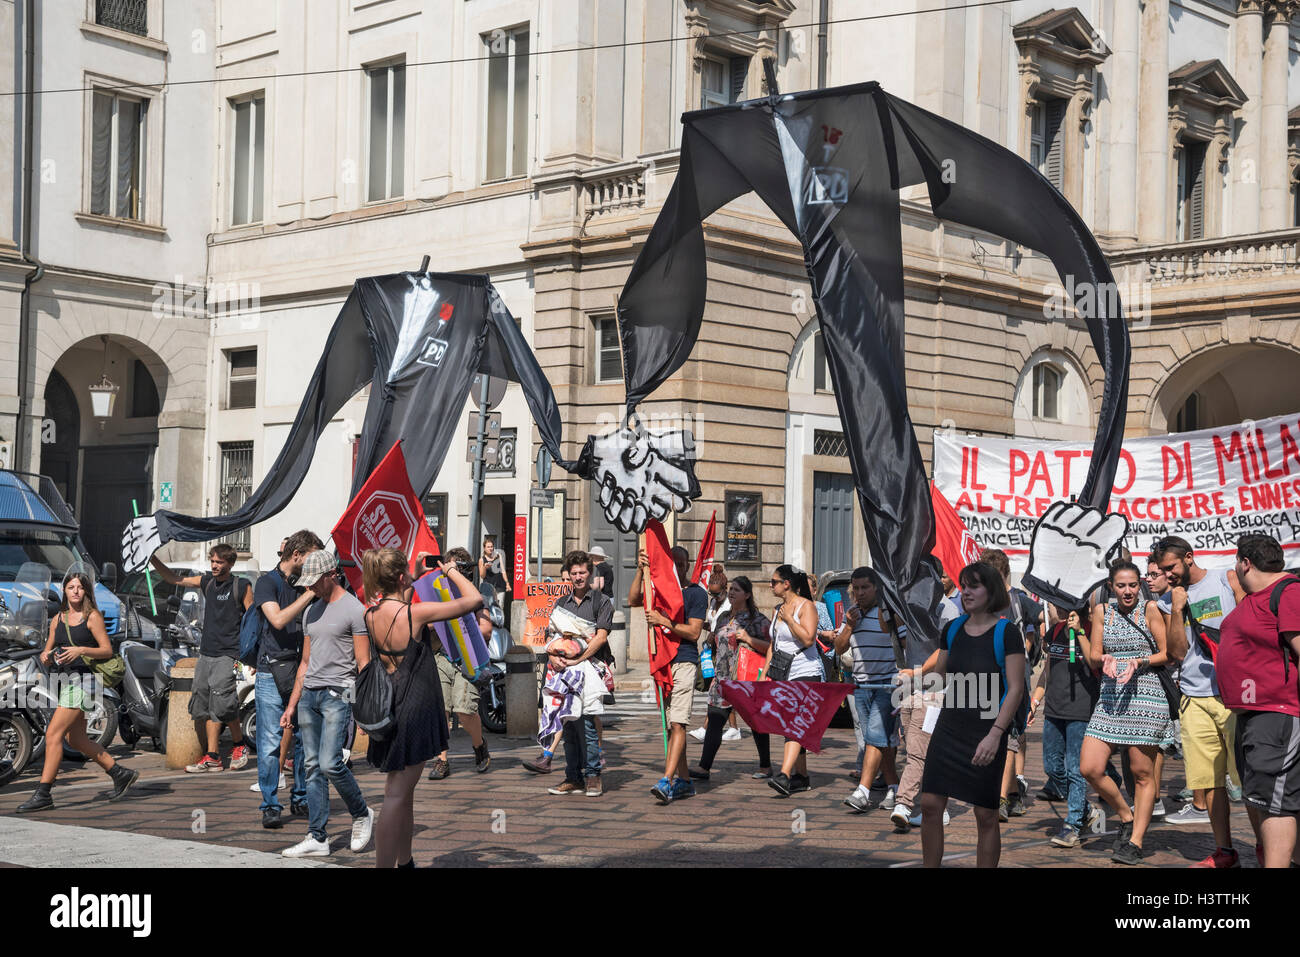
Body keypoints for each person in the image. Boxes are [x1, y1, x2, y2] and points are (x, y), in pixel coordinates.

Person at [362, 547, 482, 867]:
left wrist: (410, 579)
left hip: (390, 702)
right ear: (401, 577)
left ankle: (406, 861)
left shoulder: (370, 615)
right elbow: (473, 600)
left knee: (404, 792)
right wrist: (450, 571)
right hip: (414, 706)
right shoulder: (416, 613)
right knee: (396, 795)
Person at [918, 562, 1024, 868]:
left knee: (986, 814)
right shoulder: (951, 629)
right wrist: (915, 683)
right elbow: (940, 677)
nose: (966, 592)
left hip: (987, 730)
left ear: (991, 592)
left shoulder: (1006, 632)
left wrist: (995, 735)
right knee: (929, 803)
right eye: (964, 586)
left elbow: (1015, 689)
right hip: (949, 728)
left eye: (974, 586)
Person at [1154, 536, 1249, 867]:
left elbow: (1247, 627)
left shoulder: (1226, 579)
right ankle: (1225, 851)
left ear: (1189, 558)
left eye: (1172, 567)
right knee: (1209, 782)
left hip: (1233, 696)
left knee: (1248, 779)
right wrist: (1177, 608)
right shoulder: (1169, 602)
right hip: (1194, 698)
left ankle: (1270, 846)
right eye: (1164, 570)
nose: (1168, 575)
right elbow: (1177, 652)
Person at [16, 573, 139, 812]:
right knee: (76, 739)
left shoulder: (92, 617)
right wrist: (46, 656)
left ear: (86, 592)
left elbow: (106, 650)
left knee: (53, 734)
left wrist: (81, 650)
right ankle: (120, 773)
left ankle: (43, 794)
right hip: (67, 680)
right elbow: (47, 650)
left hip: (88, 680)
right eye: (71, 587)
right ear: (64, 591)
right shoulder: (57, 619)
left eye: (80, 588)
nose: (75, 591)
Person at [279, 551, 373, 857]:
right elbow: (305, 663)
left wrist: (358, 709)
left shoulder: (354, 609)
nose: (311, 588)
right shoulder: (311, 611)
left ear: (331, 575)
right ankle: (317, 837)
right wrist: (293, 704)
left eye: (315, 582)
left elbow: (363, 664)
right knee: (311, 767)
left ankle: (362, 813)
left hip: (337, 694)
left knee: (331, 763)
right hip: (309, 696)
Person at [1079, 561, 1174, 865]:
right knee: (1090, 767)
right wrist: (1105, 657)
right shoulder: (1101, 612)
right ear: (1111, 586)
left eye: (1133, 584)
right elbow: (1094, 656)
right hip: (1110, 695)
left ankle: (1135, 841)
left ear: (1140, 584)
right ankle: (1125, 814)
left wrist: (1139, 661)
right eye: (1121, 586)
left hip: (1145, 695)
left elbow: (1167, 652)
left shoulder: (1150, 609)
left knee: (1142, 772)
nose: (1128, 591)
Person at [1216, 534, 1300, 869]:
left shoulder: (1289, 592)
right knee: (1274, 799)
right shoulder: (1256, 597)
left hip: (1277, 715)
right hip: (1254, 716)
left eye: (1237, 562)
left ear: (1245, 562)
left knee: (1276, 804)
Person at [150, 544, 254, 773]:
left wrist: (253, 656)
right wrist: (152, 559)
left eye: (219, 562)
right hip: (206, 653)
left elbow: (254, 621)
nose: (214, 566)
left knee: (224, 701)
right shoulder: (207, 582)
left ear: (230, 564)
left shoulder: (242, 586)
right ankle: (213, 756)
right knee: (205, 703)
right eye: (212, 561)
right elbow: (174, 579)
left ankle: (239, 745)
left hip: (232, 654)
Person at [252, 529, 322, 829]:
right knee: (269, 740)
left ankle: (301, 796)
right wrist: (309, 595)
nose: (314, 565)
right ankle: (270, 804)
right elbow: (278, 619)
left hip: (301, 668)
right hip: (270, 669)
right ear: (297, 555)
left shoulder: (306, 583)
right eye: (311, 558)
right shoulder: (266, 583)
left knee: (306, 739)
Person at [630, 545, 707, 803]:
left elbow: (694, 632)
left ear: (688, 565)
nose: (678, 566)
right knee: (671, 727)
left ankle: (667, 780)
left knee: (678, 723)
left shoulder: (696, 594)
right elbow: (632, 600)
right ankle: (684, 781)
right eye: (673, 562)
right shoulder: (657, 589)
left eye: (682, 563)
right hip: (663, 662)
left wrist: (664, 622)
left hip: (684, 661)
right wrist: (641, 572)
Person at [977, 548, 1042, 820]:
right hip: (987, 679)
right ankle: (1014, 796)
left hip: (1014, 681)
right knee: (995, 734)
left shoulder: (1019, 600)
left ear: (1003, 575)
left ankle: (1001, 798)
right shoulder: (981, 602)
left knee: (1008, 736)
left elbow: (1042, 619)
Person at [543, 550, 613, 797]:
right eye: (574, 573)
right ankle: (573, 777)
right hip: (563, 674)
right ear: (568, 576)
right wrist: (554, 658)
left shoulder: (601, 602)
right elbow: (551, 638)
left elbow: (600, 637)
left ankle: (593, 776)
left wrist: (578, 659)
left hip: (588, 671)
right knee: (569, 726)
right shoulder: (561, 604)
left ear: (590, 573)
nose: (578, 577)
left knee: (588, 726)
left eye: (582, 572)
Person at [835, 567, 903, 813]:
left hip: (887, 684)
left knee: (874, 736)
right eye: (856, 588)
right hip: (862, 685)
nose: (860, 593)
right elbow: (839, 648)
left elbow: (905, 643)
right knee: (880, 740)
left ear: (877, 588)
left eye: (865, 587)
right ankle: (894, 788)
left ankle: (863, 792)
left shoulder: (888, 612)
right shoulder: (851, 615)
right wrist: (849, 627)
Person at [690, 576, 771, 780]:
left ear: (747, 595)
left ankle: (765, 766)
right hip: (722, 679)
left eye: (736, 589)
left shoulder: (758, 620)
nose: (732, 592)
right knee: (715, 721)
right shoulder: (725, 617)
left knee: (755, 722)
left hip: (746, 680)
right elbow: (718, 642)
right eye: (731, 589)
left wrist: (748, 639)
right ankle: (704, 767)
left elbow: (771, 648)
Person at [891, 587, 959, 830]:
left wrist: (917, 673)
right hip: (910, 689)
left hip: (934, 690)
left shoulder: (948, 610)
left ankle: (903, 803)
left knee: (918, 752)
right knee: (920, 752)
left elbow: (945, 651)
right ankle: (938, 809)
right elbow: (891, 627)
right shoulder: (911, 603)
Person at [1036, 606, 1101, 847]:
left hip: (1081, 710)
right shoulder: (1055, 631)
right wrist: (1036, 699)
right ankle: (1084, 808)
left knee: (1075, 769)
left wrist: (1080, 632)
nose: (1054, 606)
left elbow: (1095, 665)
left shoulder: (1093, 629)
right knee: (1052, 766)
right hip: (1054, 708)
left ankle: (1073, 823)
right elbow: (1048, 669)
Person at [427, 547, 492, 780]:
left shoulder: (474, 595)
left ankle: (479, 745)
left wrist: (458, 621)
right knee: (441, 710)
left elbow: (485, 629)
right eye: (450, 568)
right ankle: (442, 760)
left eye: (457, 569)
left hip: (468, 659)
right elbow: (424, 624)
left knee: (465, 711)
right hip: (441, 656)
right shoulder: (436, 594)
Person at [764, 564, 823, 797]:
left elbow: (808, 639)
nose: (770, 585)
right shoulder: (777, 608)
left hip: (805, 671)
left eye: (774, 581)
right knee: (790, 722)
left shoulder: (805, 606)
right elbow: (773, 645)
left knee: (795, 724)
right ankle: (802, 776)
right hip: (783, 672)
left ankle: (785, 774)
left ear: (786, 584)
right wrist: (765, 674)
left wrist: (789, 619)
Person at [689, 563, 732, 742]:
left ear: (725, 589)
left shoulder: (729, 605)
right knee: (722, 691)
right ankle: (734, 728)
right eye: (711, 593)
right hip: (712, 650)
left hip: (725, 651)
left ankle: (706, 728)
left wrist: (710, 635)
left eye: (717, 593)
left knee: (716, 689)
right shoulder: (714, 602)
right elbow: (712, 623)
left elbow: (722, 627)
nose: (713, 597)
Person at [478, 536, 508, 608]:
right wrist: (485, 567)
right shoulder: (482, 560)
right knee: (489, 607)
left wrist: (507, 583)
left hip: (500, 586)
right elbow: (482, 576)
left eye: (492, 546)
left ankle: (500, 619)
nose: (490, 548)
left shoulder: (498, 556)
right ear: (484, 548)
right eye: (488, 547)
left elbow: (503, 570)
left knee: (500, 607)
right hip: (489, 588)